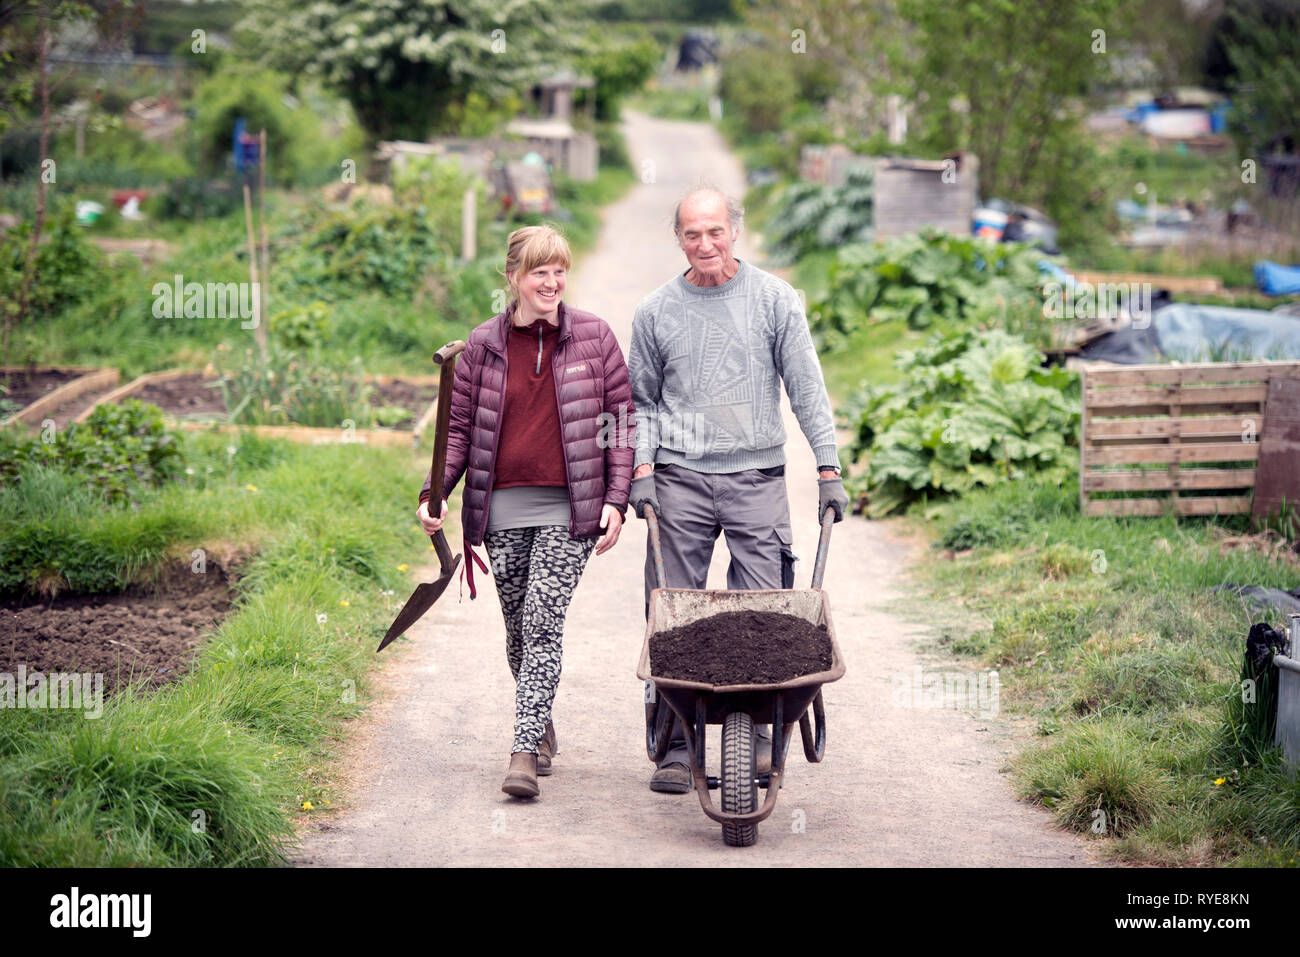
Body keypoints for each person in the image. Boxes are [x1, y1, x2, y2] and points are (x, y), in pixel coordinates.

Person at [628, 187, 849, 793]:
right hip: (679, 481)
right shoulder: (654, 312)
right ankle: (676, 743)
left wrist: (828, 470)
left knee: (762, 615)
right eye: (692, 234)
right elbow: (640, 403)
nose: (705, 245)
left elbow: (806, 387)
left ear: (735, 231)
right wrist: (641, 470)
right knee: (673, 613)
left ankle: (754, 735)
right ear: (678, 239)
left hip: (756, 478)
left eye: (715, 232)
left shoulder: (775, 300)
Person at [416, 225, 635, 799]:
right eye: (539, 271)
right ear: (512, 277)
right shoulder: (482, 347)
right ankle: (539, 721)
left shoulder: (594, 338)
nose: (552, 281)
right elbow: (458, 431)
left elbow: (621, 424)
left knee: (542, 620)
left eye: (559, 269)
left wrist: (616, 499)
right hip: (502, 507)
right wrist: (433, 491)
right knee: (516, 631)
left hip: (570, 508)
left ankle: (522, 753)